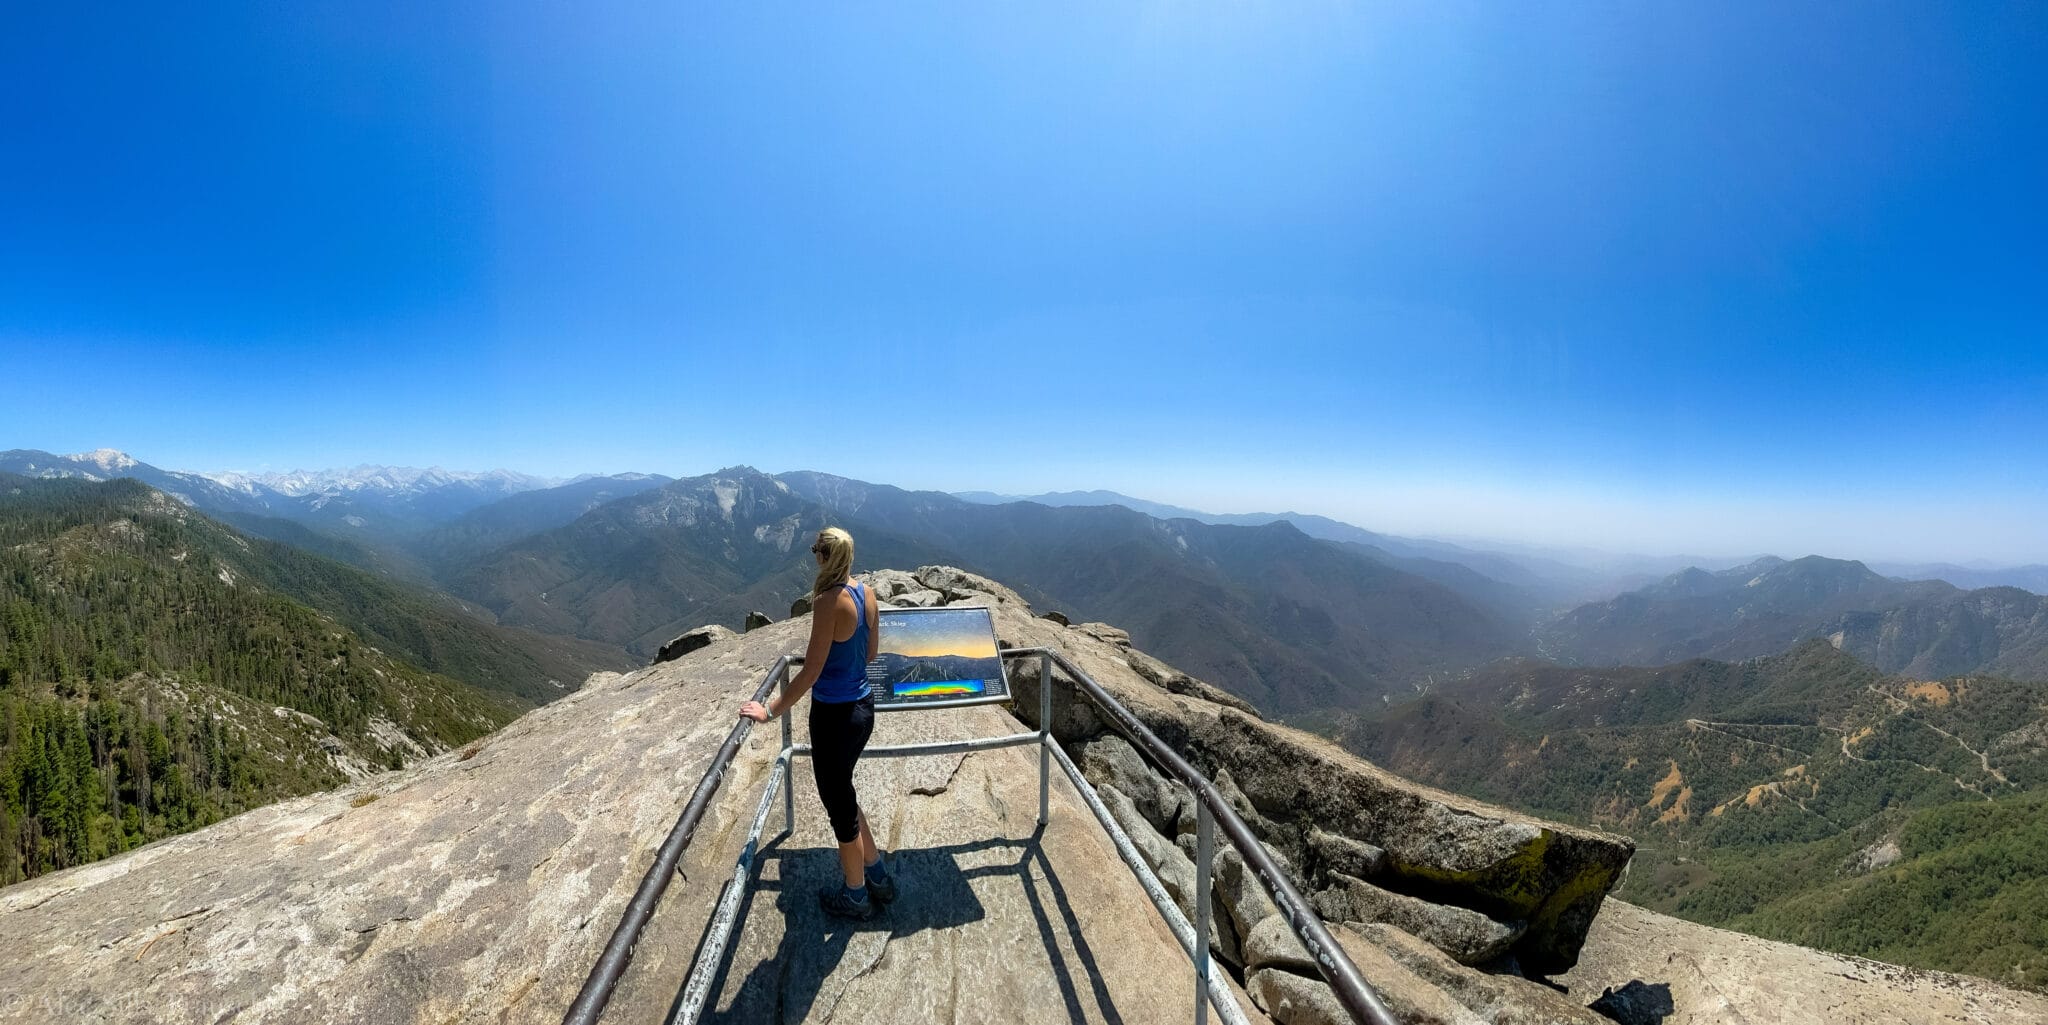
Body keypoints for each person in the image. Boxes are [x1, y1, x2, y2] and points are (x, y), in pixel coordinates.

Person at [740, 527, 895, 919]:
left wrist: (770, 711)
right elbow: (872, 653)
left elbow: (810, 672)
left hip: (834, 718)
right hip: (863, 710)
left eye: (815, 550)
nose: (814, 556)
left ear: (825, 556)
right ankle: (876, 873)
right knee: (845, 793)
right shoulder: (867, 594)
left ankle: (856, 894)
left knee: (839, 807)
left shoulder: (828, 602)